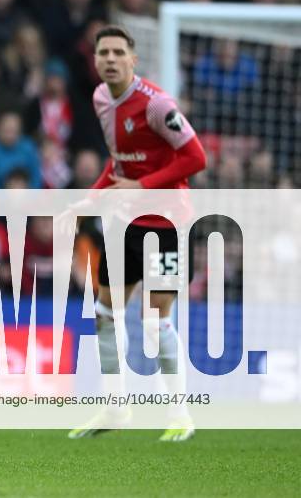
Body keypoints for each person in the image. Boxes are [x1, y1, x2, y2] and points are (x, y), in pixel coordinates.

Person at [66, 25, 206, 443]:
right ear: (95, 61)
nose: (109, 59)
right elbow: (119, 164)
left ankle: (180, 415)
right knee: (104, 314)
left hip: (166, 225)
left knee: (153, 321)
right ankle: (115, 408)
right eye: (102, 53)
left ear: (133, 60)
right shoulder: (100, 99)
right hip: (124, 223)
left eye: (117, 53)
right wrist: (88, 201)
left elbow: (196, 157)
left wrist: (143, 188)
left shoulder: (156, 105)